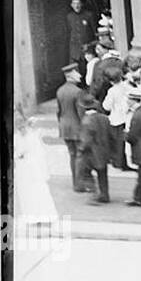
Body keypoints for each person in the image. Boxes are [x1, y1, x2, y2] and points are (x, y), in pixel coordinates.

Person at [56, 62, 89, 192]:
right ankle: (79, 184)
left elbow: (59, 111)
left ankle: (76, 181)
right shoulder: (78, 92)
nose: (79, 75)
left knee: (72, 155)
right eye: (76, 73)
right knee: (80, 156)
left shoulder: (60, 90)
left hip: (65, 126)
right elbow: (80, 113)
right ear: (70, 76)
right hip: (76, 127)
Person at [77, 93, 113, 203]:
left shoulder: (86, 121)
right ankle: (105, 194)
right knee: (102, 174)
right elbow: (110, 135)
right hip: (104, 151)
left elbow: (86, 140)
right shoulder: (105, 118)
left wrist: (81, 149)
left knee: (85, 172)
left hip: (91, 153)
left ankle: (94, 193)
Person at [65, 0, 97, 65]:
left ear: (81, 4)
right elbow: (68, 34)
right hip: (75, 53)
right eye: (74, 4)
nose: (76, 6)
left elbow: (95, 33)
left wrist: (90, 46)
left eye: (78, 3)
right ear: (71, 5)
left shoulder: (88, 15)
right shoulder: (69, 17)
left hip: (88, 51)